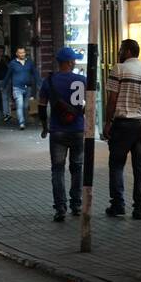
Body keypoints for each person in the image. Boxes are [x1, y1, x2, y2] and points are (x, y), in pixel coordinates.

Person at [38, 47, 87, 222]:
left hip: (57, 131)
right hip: (77, 130)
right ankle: (76, 204)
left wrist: (44, 127)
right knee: (77, 168)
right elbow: (85, 106)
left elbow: (42, 106)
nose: (74, 62)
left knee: (57, 170)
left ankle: (60, 208)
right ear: (69, 62)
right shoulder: (81, 80)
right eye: (73, 60)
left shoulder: (49, 81)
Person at [102, 38, 141, 218]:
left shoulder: (119, 69)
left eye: (120, 49)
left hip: (122, 124)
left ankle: (118, 204)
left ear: (127, 51)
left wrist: (108, 121)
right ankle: (140, 207)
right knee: (140, 167)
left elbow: (112, 98)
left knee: (117, 165)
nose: (118, 52)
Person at [6, 46, 38, 129]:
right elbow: (8, 75)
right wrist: (3, 85)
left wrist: (40, 83)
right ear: (17, 54)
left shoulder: (29, 62)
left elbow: (35, 73)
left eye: (23, 52)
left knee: (26, 106)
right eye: (20, 53)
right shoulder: (13, 63)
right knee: (19, 105)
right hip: (17, 88)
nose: (22, 54)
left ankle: (25, 119)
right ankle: (21, 123)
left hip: (28, 88)